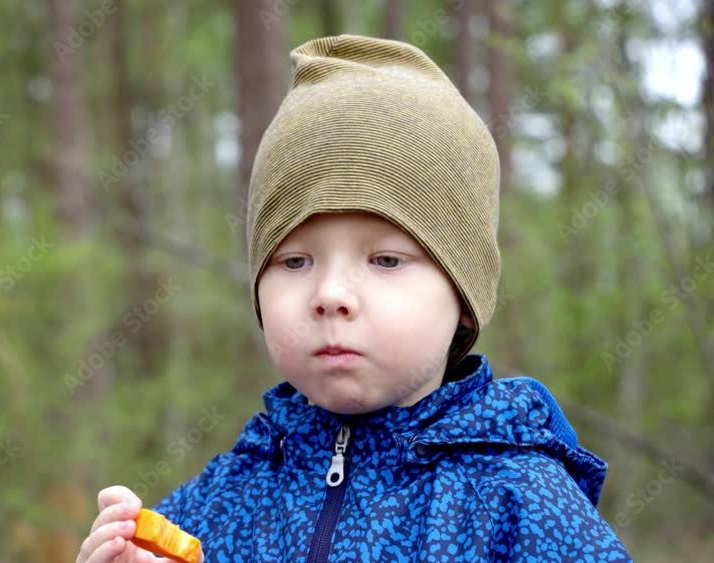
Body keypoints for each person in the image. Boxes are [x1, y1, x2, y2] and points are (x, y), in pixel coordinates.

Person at [76, 34, 633, 562]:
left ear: (463, 296)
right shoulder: (220, 502)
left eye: (385, 260)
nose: (331, 295)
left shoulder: (519, 501)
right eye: (295, 261)